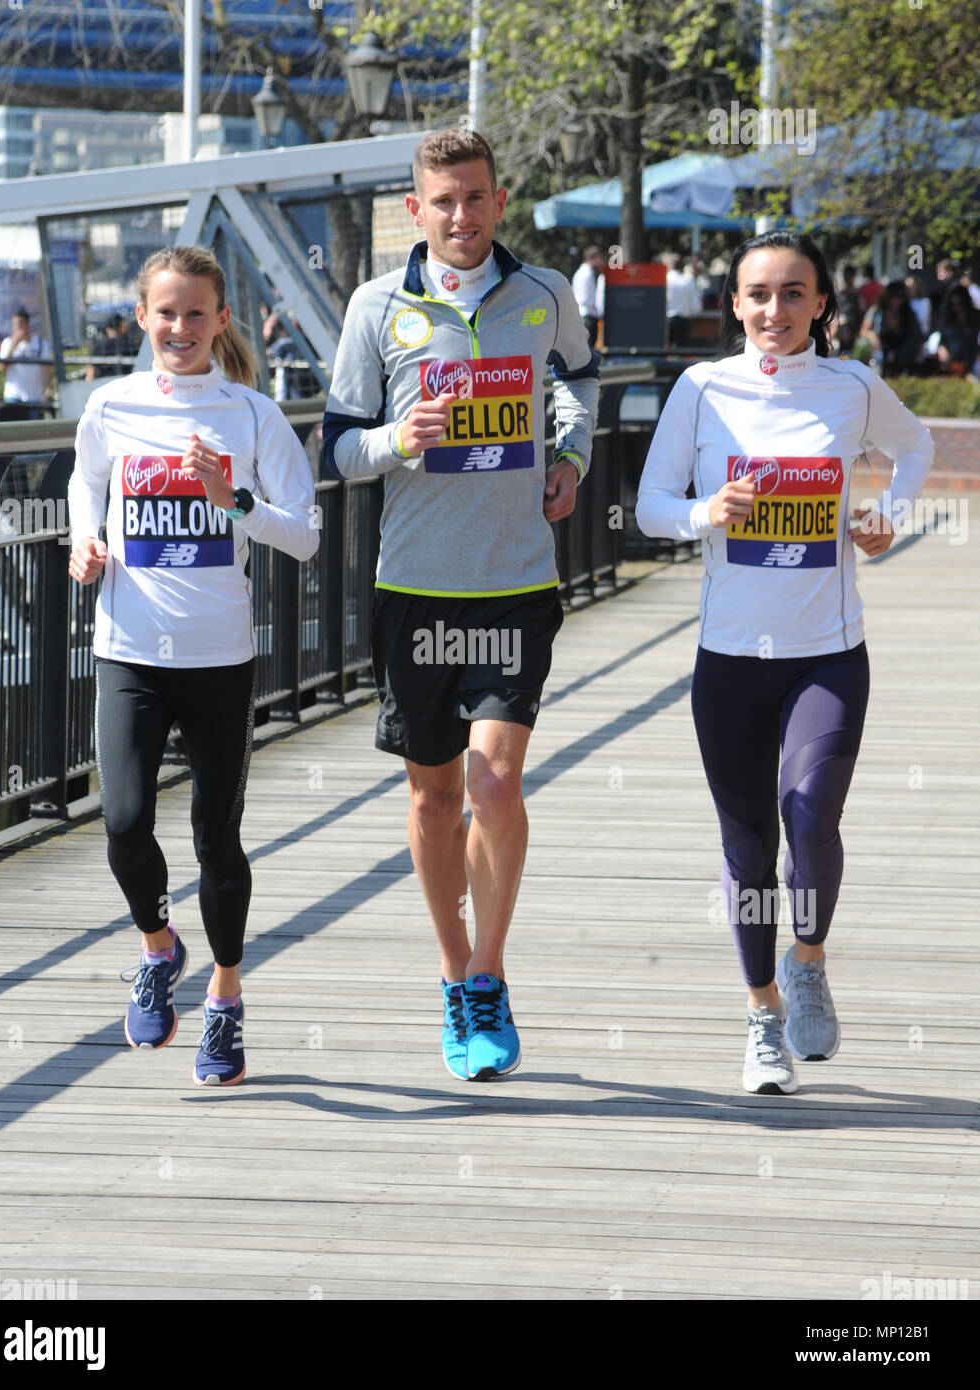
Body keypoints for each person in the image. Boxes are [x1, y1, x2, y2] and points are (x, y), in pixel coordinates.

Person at [322, 128, 598, 1082]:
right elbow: (341, 451)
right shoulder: (375, 307)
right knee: (435, 799)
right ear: (416, 210)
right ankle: (452, 976)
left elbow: (579, 383)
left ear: (499, 199)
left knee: (493, 785)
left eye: (475, 198)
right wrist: (401, 437)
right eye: (442, 202)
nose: (461, 217)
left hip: (516, 582)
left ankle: (488, 977)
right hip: (414, 589)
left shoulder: (545, 294)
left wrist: (568, 461)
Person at [636, 231, 933, 1096]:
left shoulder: (850, 386)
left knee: (809, 816)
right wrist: (706, 511)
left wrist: (888, 514)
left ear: (823, 305)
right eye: (758, 294)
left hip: (827, 656)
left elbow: (915, 448)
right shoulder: (700, 389)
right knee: (747, 847)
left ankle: (807, 962)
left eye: (794, 293)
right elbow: (652, 505)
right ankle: (763, 1015)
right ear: (733, 304)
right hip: (728, 660)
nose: (775, 310)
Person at [67, 245, 320, 1086]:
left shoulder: (252, 416)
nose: (180, 328)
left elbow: (306, 534)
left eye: (196, 314)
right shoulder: (111, 405)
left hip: (219, 658)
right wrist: (85, 540)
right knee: (123, 821)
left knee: (217, 836)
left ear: (220, 322)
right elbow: (84, 481)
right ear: (142, 317)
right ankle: (157, 945)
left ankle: (224, 999)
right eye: (165, 313)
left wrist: (236, 502)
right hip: (129, 652)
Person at [862, 280, 923, 377]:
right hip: (880, 358)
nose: (897, 301)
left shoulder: (909, 315)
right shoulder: (877, 311)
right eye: (894, 297)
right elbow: (864, 330)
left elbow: (917, 334)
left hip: (903, 359)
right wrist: (872, 336)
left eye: (900, 297)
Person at [0, 309, 52, 420]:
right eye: (15, 325)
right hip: (13, 395)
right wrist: (13, 345)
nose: (18, 328)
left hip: (34, 396)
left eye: (20, 324)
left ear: (28, 324)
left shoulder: (41, 343)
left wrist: (48, 388)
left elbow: (47, 368)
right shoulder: (7, 343)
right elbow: (1, 368)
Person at [933, 284, 980, 377]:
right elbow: (941, 342)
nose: (957, 308)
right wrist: (944, 353)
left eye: (960, 304)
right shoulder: (947, 318)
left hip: (972, 362)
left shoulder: (976, 317)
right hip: (952, 364)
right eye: (953, 305)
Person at [571, 245, 605, 347]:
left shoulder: (580, 272)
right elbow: (585, 299)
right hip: (588, 317)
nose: (600, 261)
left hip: (581, 316)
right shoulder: (587, 273)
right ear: (591, 258)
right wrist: (596, 306)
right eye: (599, 258)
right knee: (588, 351)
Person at [84, 314, 133, 381]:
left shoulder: (99, 345)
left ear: (108, 329)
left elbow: (91, 373)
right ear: (121, 327)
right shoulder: (128, 343)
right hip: (126, 382)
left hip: (103, 383)